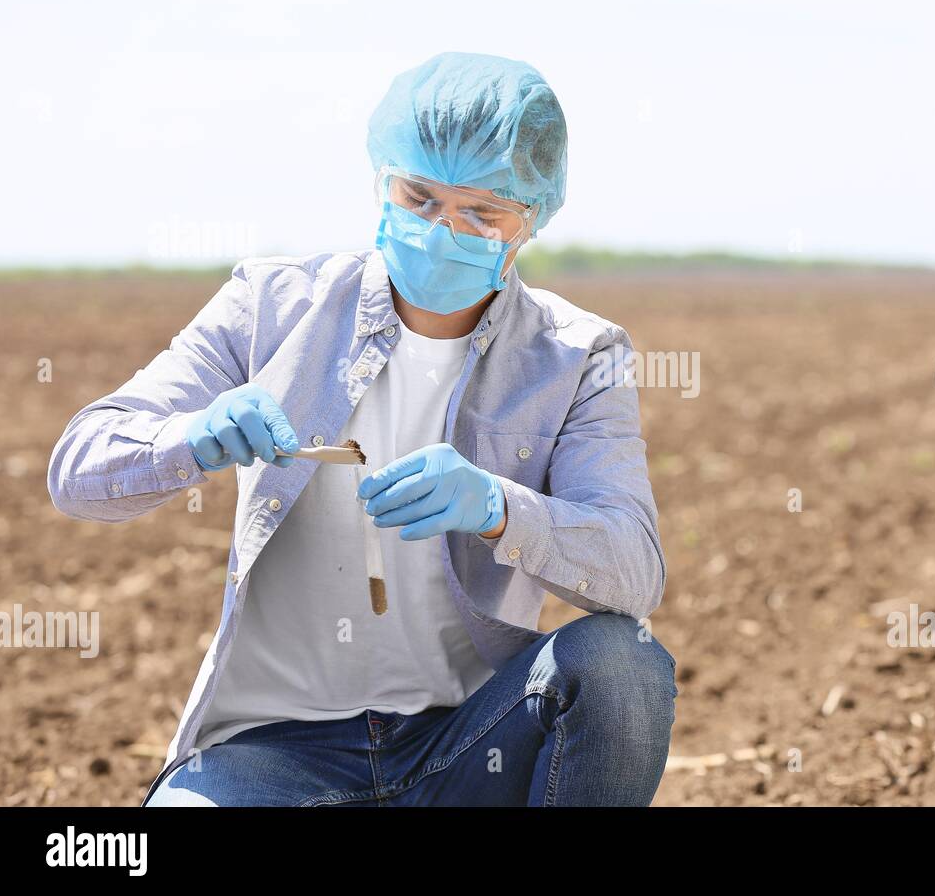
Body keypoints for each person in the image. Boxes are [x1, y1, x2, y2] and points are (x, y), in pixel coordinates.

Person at [47, 52, 675, 806]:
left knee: (621, 663)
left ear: (532, 218)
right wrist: (192, 438)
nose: (444, 228)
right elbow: (78, 470)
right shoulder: (271, 308)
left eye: (482, 212)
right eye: (419, 196)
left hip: (468, 742)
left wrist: (500, 509)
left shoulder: (578, 357)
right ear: (384, 180)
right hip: (272, 755)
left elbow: (633, 571)